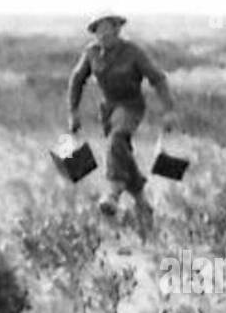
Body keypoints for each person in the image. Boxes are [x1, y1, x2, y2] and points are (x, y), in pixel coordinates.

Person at [67, 13, 177, 231]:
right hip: (108, 109)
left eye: (109, 28)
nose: (104, 34)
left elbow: (157, 78)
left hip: (131, 106)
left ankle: (113, 192)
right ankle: (142, 203)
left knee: (117, 139)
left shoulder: (133, 52)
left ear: (118, 30)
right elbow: (77, 80)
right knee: (122, 153)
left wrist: (169, 110)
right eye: (99, 30)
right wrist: (73, 112)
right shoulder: (91, 53)